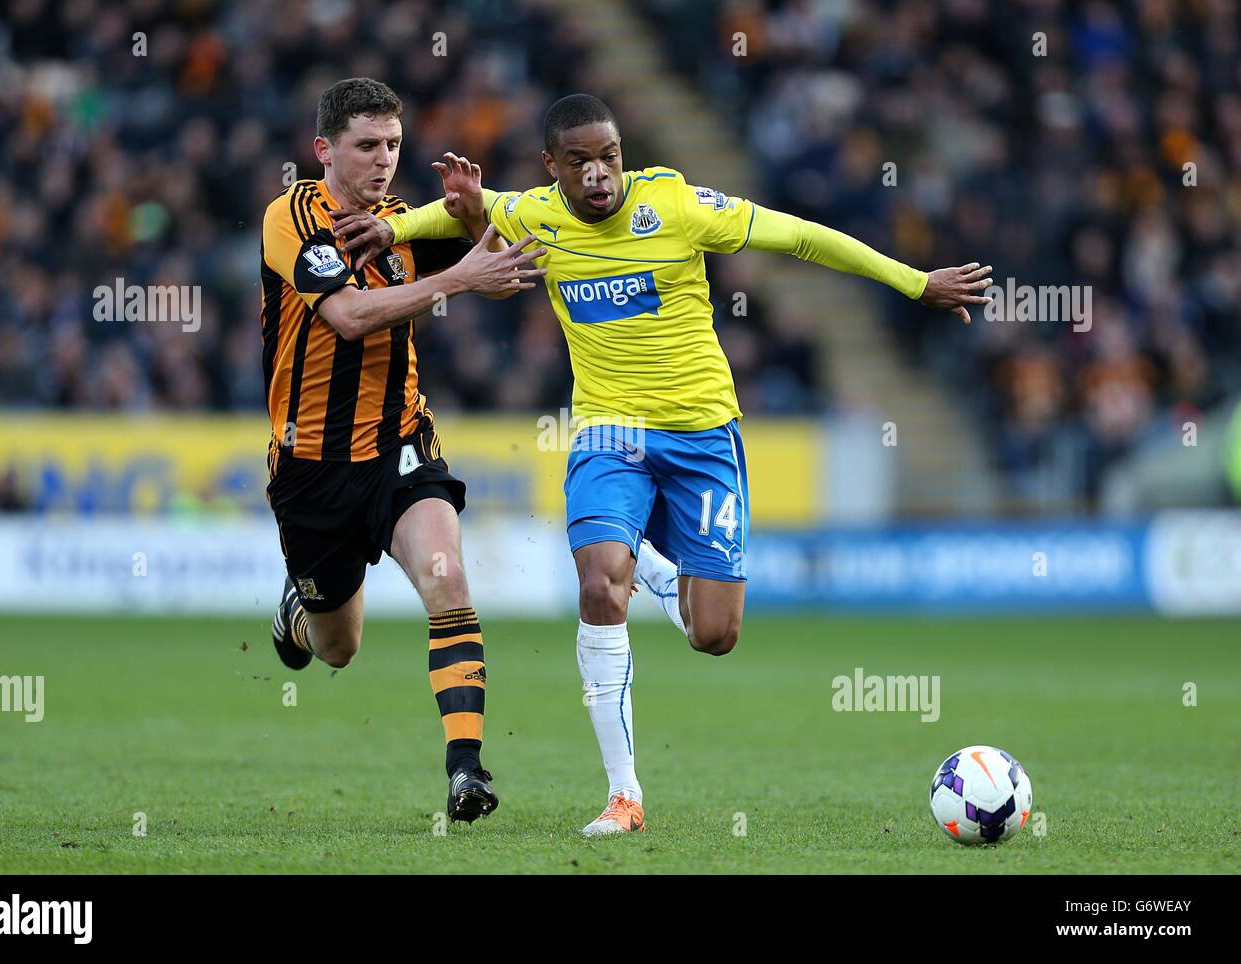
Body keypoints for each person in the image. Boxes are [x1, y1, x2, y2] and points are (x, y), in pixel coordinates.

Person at [346, 93, 991, 835]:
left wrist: (914, 282)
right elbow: (454, 211)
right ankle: (624, 795)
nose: (599, 174)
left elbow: (801, 238)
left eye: (610, 157)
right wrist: (394, 224)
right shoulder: (531, 214)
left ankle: (660, 574)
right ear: (550, 168)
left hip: (702, 435)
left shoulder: (676, 205)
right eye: (580, 161)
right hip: (607, 433)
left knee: (713, 634)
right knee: (597, 584)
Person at [259, 77, 545, 822]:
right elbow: (349, 316)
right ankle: (300, 609)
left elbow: (500, 257)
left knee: (448, 582)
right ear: (324, 149)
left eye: (393, 145)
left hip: (400, 444)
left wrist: (477, 215)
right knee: (338, 649)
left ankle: (465, 772)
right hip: (312, 468)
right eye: (366, 146)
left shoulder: (405, 222)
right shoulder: (291, 218)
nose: (384, 161)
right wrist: (462, 277)